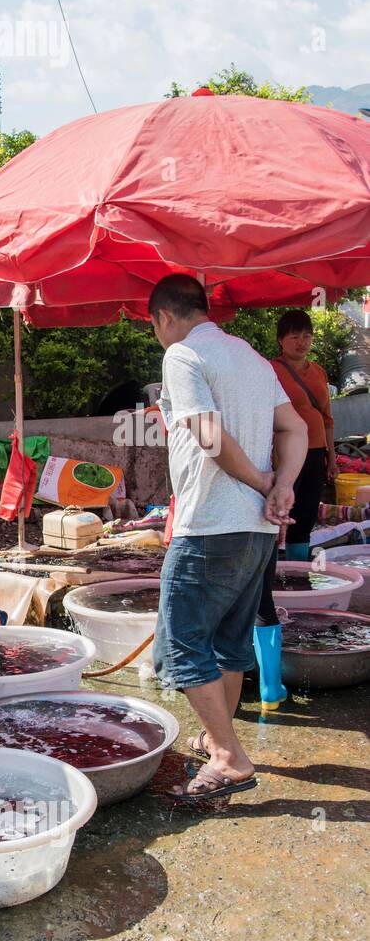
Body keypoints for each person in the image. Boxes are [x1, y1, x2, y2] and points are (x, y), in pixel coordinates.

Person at [148, 274, 308, 800]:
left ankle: (229, 757)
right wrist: (282, 485)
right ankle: (222, 738)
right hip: (258, 527)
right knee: (231, 641)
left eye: (154, 327)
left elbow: (208, 433)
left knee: (181, 641)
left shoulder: (182, 356)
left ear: (164, 317)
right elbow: (296, 429)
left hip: (211, 523)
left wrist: (265, 480)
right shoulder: (250, 357)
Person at [268, 309, 337, 561]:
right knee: (279, 508)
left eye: (306, 336)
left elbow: (327, 418)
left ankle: (299, 569)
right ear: (280, 340)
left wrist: (332, 457)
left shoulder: (318, 371)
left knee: (306, 510)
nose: (301, 342)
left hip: (317, 450)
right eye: (294, 336)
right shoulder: (270, 369)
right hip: (284, 452)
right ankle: (268, 568)